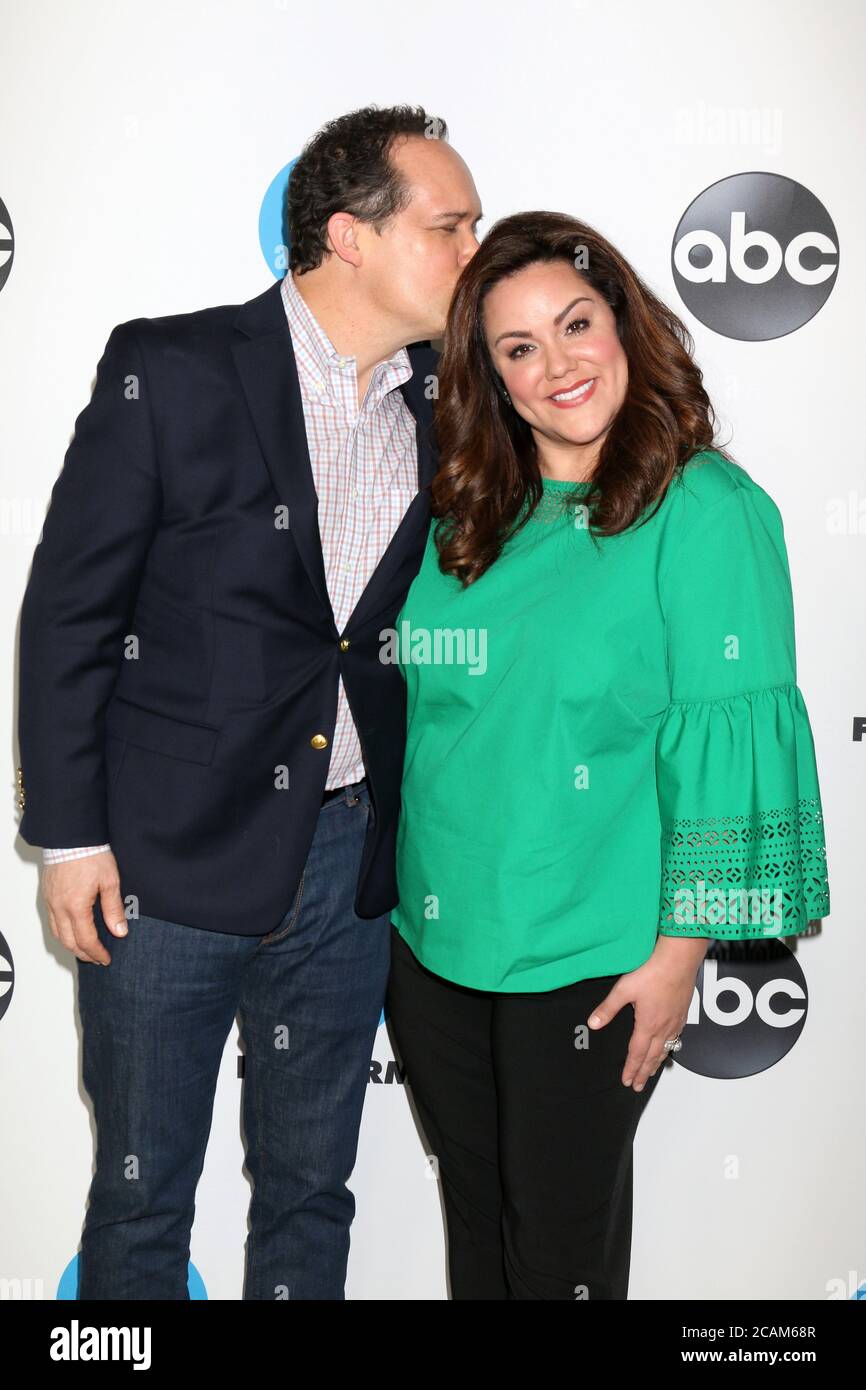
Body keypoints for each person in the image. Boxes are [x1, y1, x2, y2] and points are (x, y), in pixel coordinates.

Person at [16, 104, 482, 1299]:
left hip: (345, 863)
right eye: (449, 226)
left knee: (309, 1191)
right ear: (347, 237)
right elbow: (69, 611)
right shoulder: (170, 369)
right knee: (138, 1196)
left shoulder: (454, 405)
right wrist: (71, 836)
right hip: (161, 865)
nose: (473, 252)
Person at [385, 211, 831, 1300]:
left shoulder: (704, 511)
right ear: (486, 375)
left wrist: (679, 953)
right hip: (434, 946)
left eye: (574, 324)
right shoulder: (467, 507)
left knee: (555, 1263)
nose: (556, 366)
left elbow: (726, 746)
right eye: (517, 348)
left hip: (589, 965)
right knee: (478, 1243)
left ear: (625, 321)